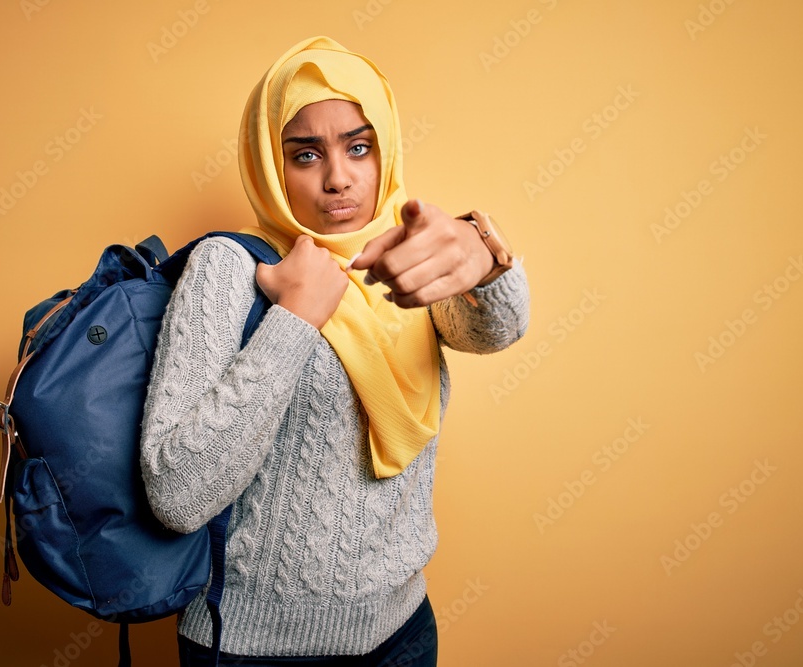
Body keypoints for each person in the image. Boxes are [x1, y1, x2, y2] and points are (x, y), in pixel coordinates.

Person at [139, 36, 530, 666]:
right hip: (250, 648)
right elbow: (178, 492)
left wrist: (484, 250)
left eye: (358, 146)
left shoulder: (404, 252)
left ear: (385, 151)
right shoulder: (228, 267)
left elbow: (496, 329)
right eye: (305, 154)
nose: (338, 178)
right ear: (269, 161)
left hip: (402, 632)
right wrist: (294, 318)